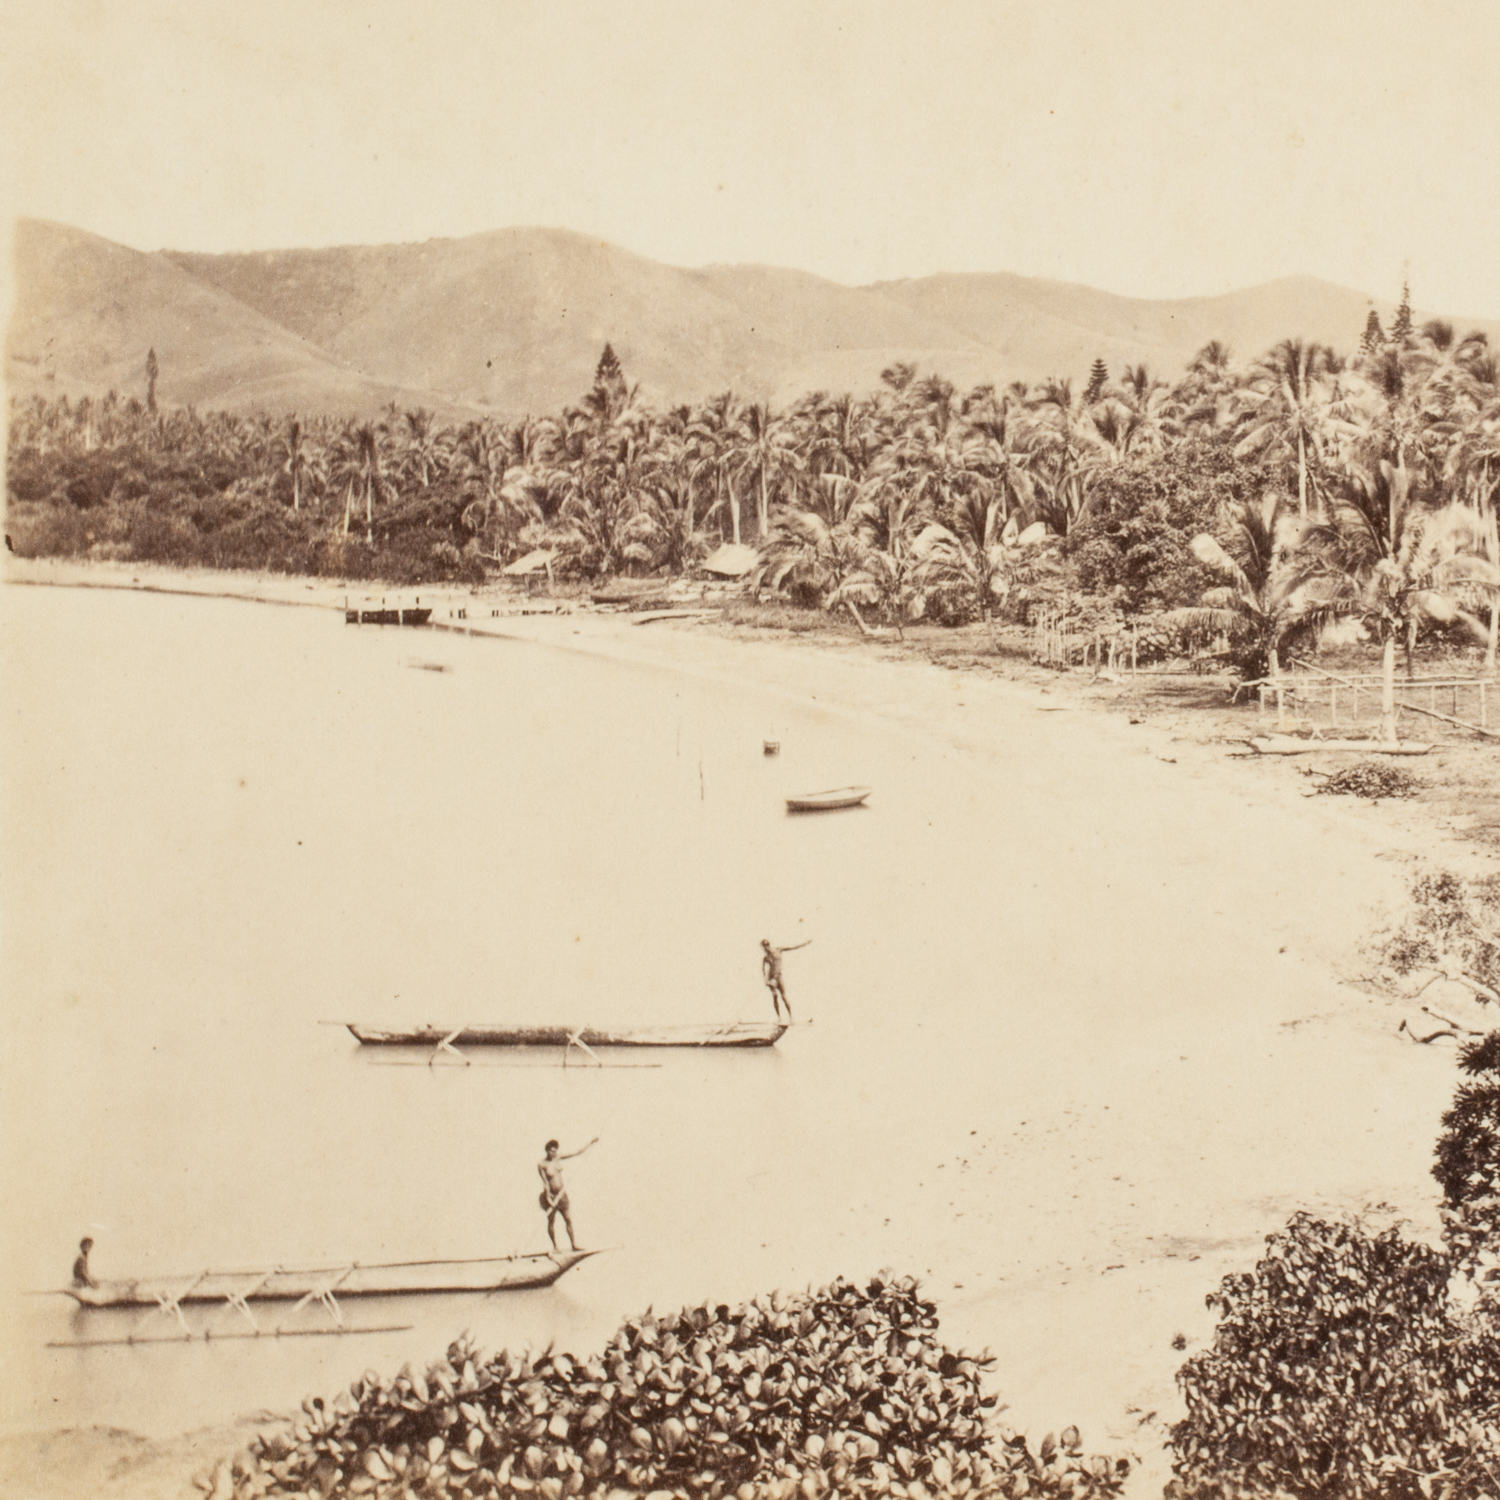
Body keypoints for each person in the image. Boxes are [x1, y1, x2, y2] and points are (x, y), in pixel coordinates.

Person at [538, 1137, 598, 1252]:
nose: (554, 1153)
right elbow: (545, 1183)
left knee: (568, 1219)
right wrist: (548, 1198)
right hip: (552, 1196)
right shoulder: (542, 1165)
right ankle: (555, 1247)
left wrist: (590, 1143)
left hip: (562, 1195)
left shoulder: (558, 1158)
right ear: (547, 1150)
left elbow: (577, 1152)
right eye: (552, 1151)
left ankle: (574, 1245)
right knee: (551, 1221)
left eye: (555, 1151)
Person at [760, 937, 810, 1022]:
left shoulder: (778, 950)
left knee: (784, 997)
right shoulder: (766, 958)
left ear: (768, 946)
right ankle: (779, 1018)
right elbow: (763, 969)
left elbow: (792, 947)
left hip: (779, 977)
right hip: (771, 978)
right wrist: (766, 980)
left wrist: (805, 944)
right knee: (775, 996)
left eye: (765, 947)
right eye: (763, 948)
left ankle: (791, 1017)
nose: (765, 949)